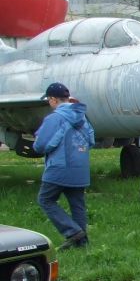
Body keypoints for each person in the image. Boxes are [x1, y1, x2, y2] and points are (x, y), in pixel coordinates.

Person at [32, 82, 96, 249]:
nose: (48, 103)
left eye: (48, 100)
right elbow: (91, 141)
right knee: (77, 205)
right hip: (81, 168)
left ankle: (73, 232)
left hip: (59, 168)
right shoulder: (82, 117)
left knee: (45, 199)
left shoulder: (54, 118)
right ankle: (81, 244)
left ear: (53, 99)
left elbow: (40, 145)